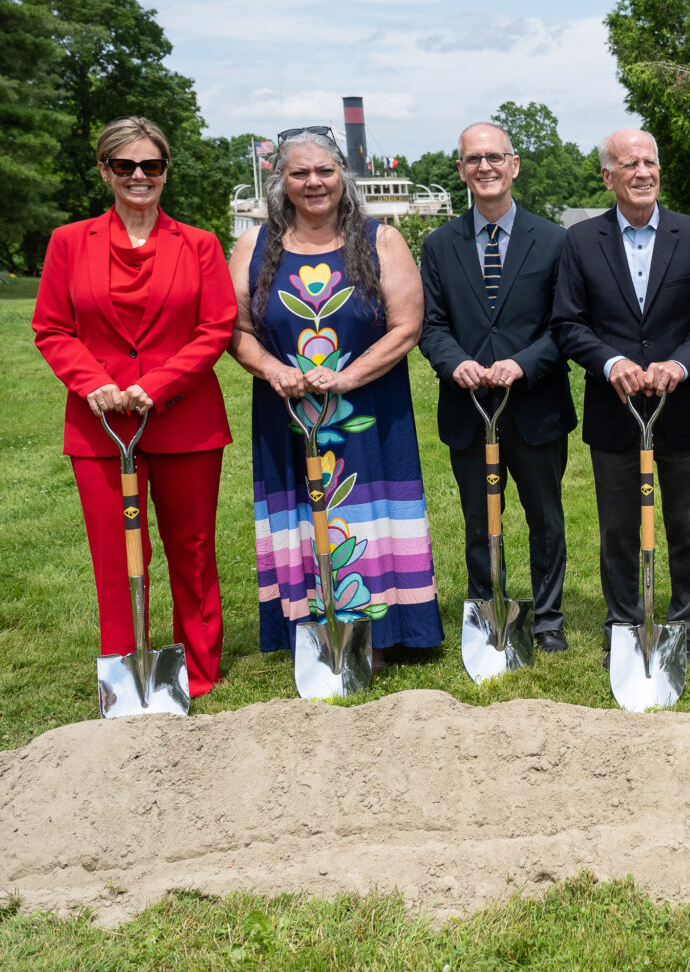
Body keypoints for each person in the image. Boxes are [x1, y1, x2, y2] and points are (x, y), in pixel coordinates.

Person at [33, 116, 236, 697]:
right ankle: (128, 670)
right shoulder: (69, 242)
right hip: (100, 425)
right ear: (105, 171)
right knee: (116, 555)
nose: (139, 176)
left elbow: (216, 325)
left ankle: (197, 671)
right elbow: (50, 327)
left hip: (185, 418)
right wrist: (90, 380)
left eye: (151, 165)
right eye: (125, 166)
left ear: (166, 171)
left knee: (192, 549)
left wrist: (161, 382)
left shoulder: (197, 245)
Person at [228, 128, 443, 662]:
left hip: (368, 409)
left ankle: (391, 630)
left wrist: (348, 378)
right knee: (304, 510)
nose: (313, 182)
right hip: (288, 414)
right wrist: (275, 371)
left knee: (373, 510)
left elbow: (406, 328)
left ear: (342, 176)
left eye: (324, 171)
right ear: (281, 180)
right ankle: (311, 630)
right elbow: (234, 330)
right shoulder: (254, 246)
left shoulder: (381, 240)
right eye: (299, 173)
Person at [550, 128, 690, 664]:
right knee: (620, 526)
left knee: (687, 525)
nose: (643, 173)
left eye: (650, 162)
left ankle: (687, 627)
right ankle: (624, 623)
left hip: (683, 408)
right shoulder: (581, 242)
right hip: (615, 408)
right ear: (608, 176)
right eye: (630, 165)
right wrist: (610, 362)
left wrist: (680, 363)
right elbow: (567, 323)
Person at [418, 123, 575, 653]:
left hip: (535, 406)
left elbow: (566, 325)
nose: (484, 167)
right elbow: (431, 325)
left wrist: (524, 363)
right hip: (468, 407)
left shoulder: (555, 240)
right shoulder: (439, 245)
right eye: (472, 159)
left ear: (514, 165)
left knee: (545, 518)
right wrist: (454, 363)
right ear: (460, 170)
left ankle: (548, 618)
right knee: (479, 518)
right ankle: (487, 607)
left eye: (494, 157)